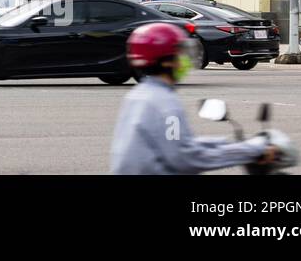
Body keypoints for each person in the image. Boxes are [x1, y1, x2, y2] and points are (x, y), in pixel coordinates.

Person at [111, 22, 277, 175]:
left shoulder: (138, 95)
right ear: (167, 61)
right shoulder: (165, 104)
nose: (185, 58)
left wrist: (226, 144)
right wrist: (253, 150)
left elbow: (177, 143)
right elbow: (184, 158)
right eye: (180, 53)